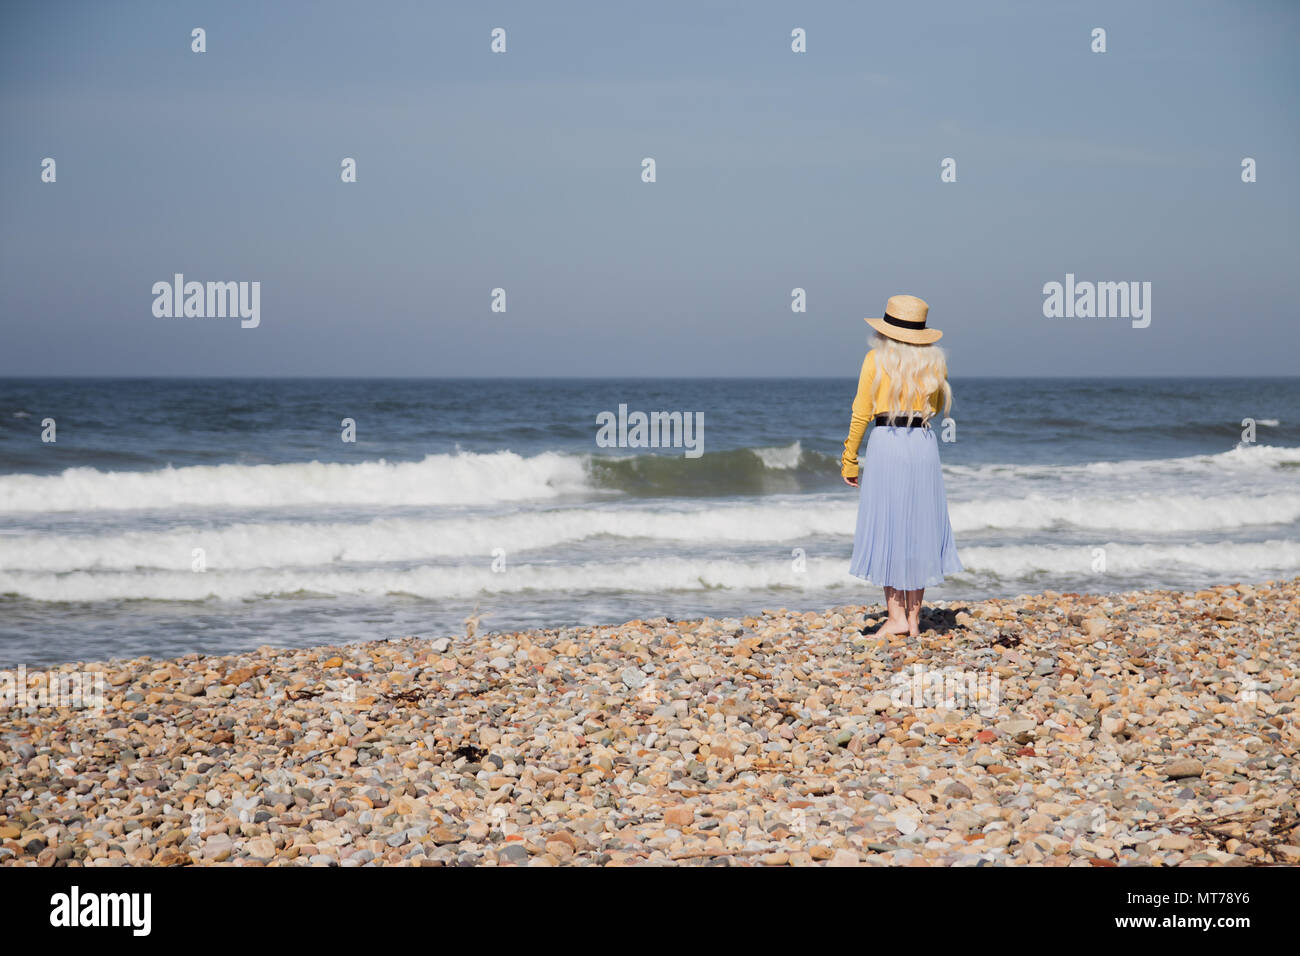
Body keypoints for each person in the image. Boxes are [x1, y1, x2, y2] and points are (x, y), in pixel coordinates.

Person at [841, 294, 962, 636]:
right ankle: (913, 618)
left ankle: (895, 617)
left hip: (886, 442)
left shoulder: (874, 360)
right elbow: (935, 407)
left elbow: (861, 412)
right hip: (922, 442)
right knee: (920, 524)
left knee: (888, 524)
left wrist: (849, 457)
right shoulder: (935, 363)